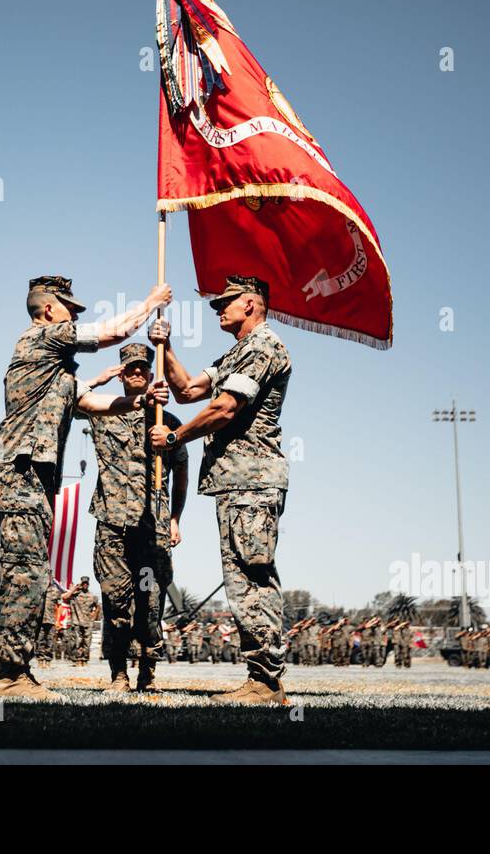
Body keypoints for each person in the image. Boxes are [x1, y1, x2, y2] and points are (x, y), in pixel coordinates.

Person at [0, 274, 172, 698]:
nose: (74, 316)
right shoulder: (41, 340)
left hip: (31, 474)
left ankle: (16, 670)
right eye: (70, 308)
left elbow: (96, 404)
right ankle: (11, 675)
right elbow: (113, 333)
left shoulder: (57, 370)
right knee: (24, 572)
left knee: (28, 571)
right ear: (49, 310)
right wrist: (150, 303)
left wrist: (140, 401)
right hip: (20, 471)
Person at [150, 274, 292, 705]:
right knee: (239, 580)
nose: (219, 310)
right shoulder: (236, 353)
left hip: (253, 480)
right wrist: (166, 346)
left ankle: (266, 681)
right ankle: (259, 677)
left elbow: (225, 408)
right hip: (235, 483)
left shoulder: (264, 347)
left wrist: (175, 439)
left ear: (250, 304)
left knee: (252, 575)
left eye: (225, 303)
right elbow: (189, 389)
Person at [80, 341, 189, 692]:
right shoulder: (104, 411)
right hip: (112, 524)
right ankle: (118, 674)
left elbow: (183, 470)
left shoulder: (167, 422)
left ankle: (147, 671)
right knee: (115, 601)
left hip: (152, 526)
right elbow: (72, 397)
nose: (137, 372)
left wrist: (175, 517)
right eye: (130, 368)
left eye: (143, 367)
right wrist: (99, 378)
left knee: (151, 600)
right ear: (122, 373)